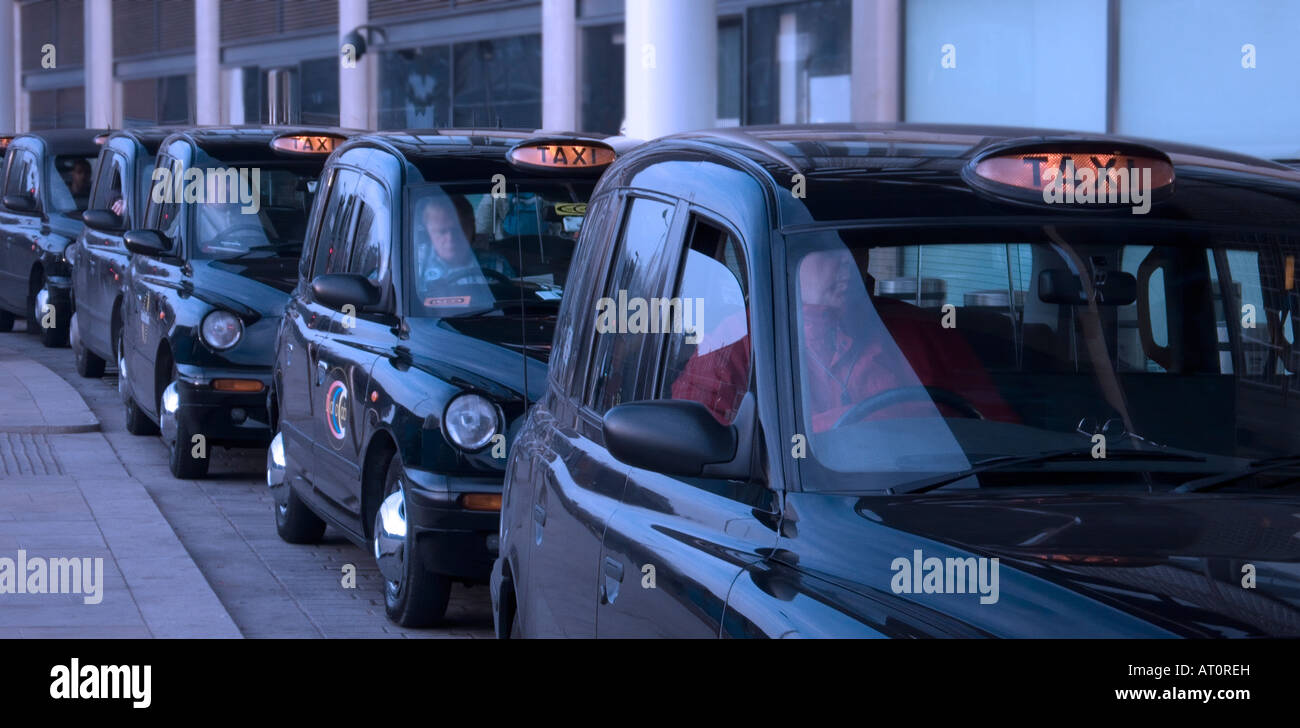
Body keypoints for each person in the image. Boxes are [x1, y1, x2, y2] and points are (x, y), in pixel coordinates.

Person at [797, 248, 1017, 432]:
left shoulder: (921, 329)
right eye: (829, 247)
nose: (848, 258)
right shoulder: (771, 344)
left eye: (859, 245)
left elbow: (997, 425)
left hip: (942, 479)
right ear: (793, 259)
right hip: (824, 482)